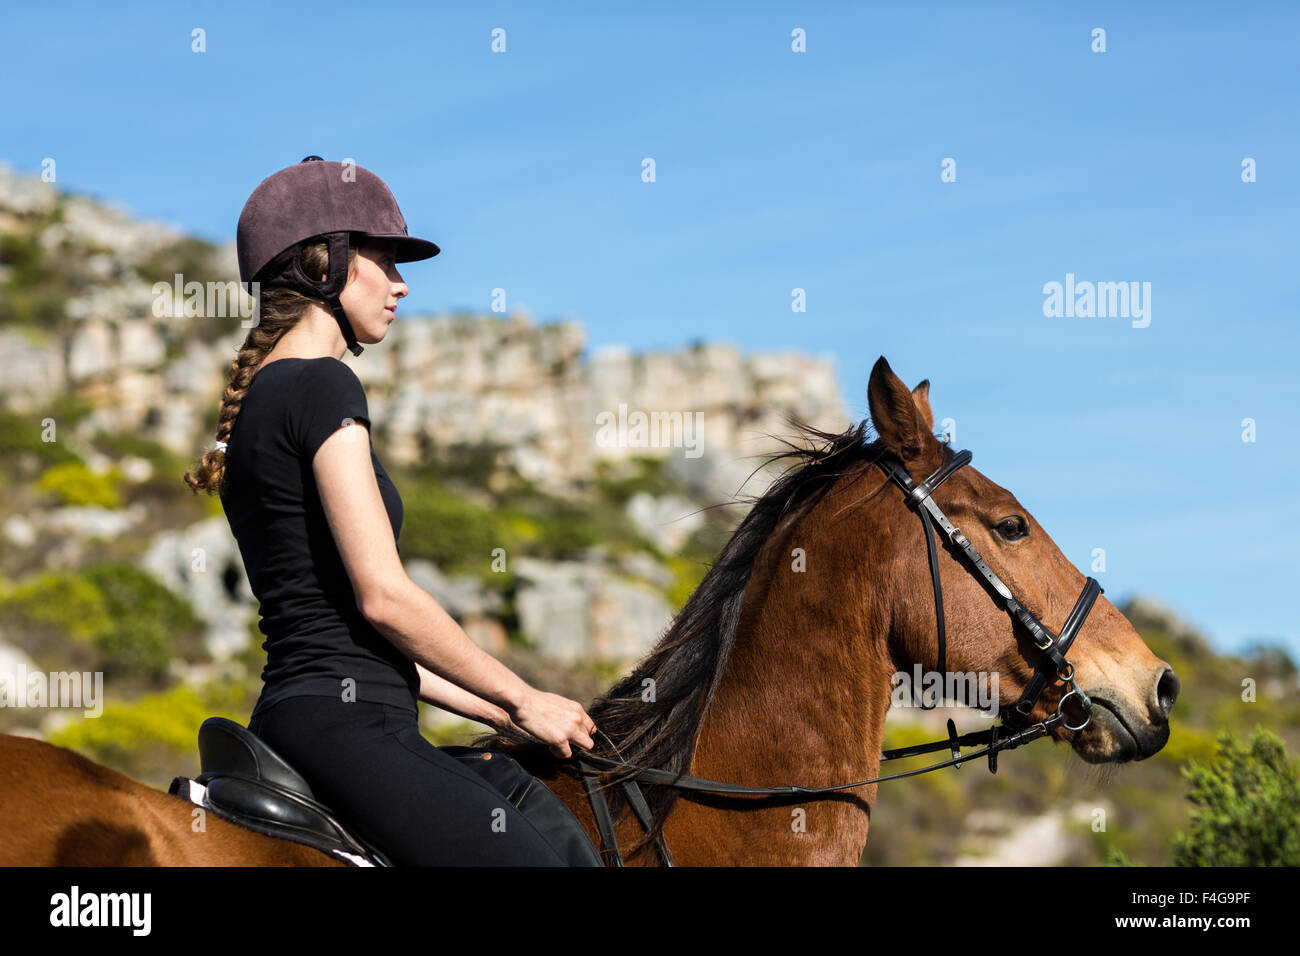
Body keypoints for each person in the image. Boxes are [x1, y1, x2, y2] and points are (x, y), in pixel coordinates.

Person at [183, 156, 597, 866]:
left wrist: (502, 713)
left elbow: (361, 641)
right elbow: (384, 599)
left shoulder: (261, 404)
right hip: (348, 727)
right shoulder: (322, 386)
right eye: (383, 260)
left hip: (308, 715)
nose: (402, 285)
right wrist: (525, 696)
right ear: (324, 265)